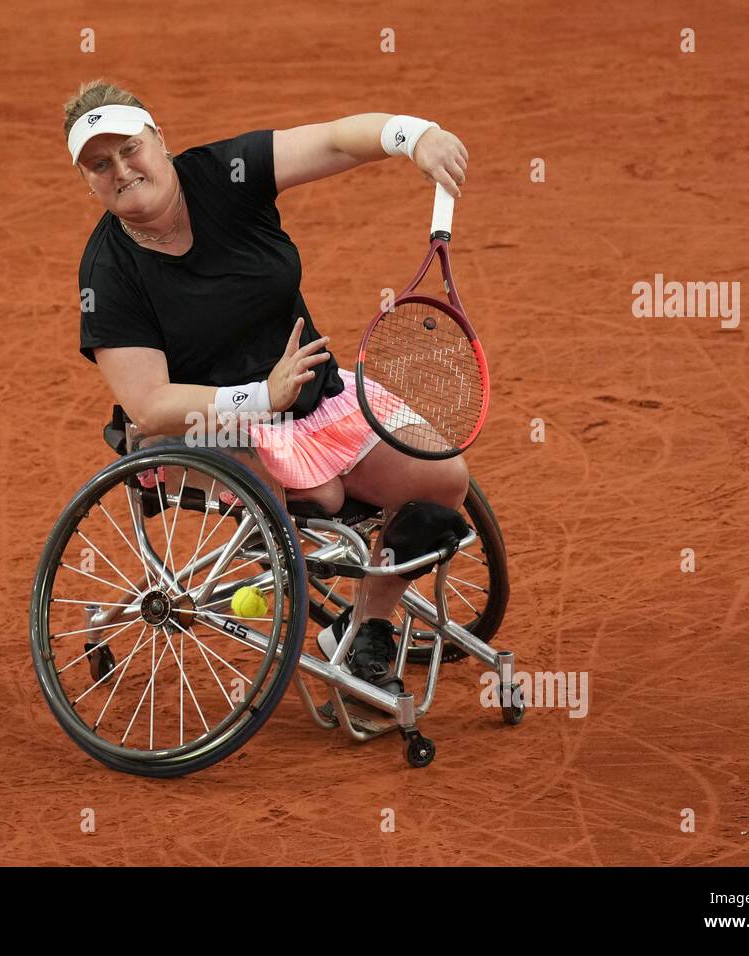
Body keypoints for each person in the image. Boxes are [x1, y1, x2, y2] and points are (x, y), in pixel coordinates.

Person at [66, 78, 472, 702]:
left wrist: (415, 137)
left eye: (130, 149)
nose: (120, 170)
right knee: (322, 494)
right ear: (87, 180)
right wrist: (259, 395)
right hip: (199, 427)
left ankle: (364, 625)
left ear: (160, 141)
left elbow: (338, 141)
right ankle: (293, 568)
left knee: (442, 479)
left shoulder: (224, 173)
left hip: (310, 392)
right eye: (100, 164)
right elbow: (149, 402)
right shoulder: (108, 273)